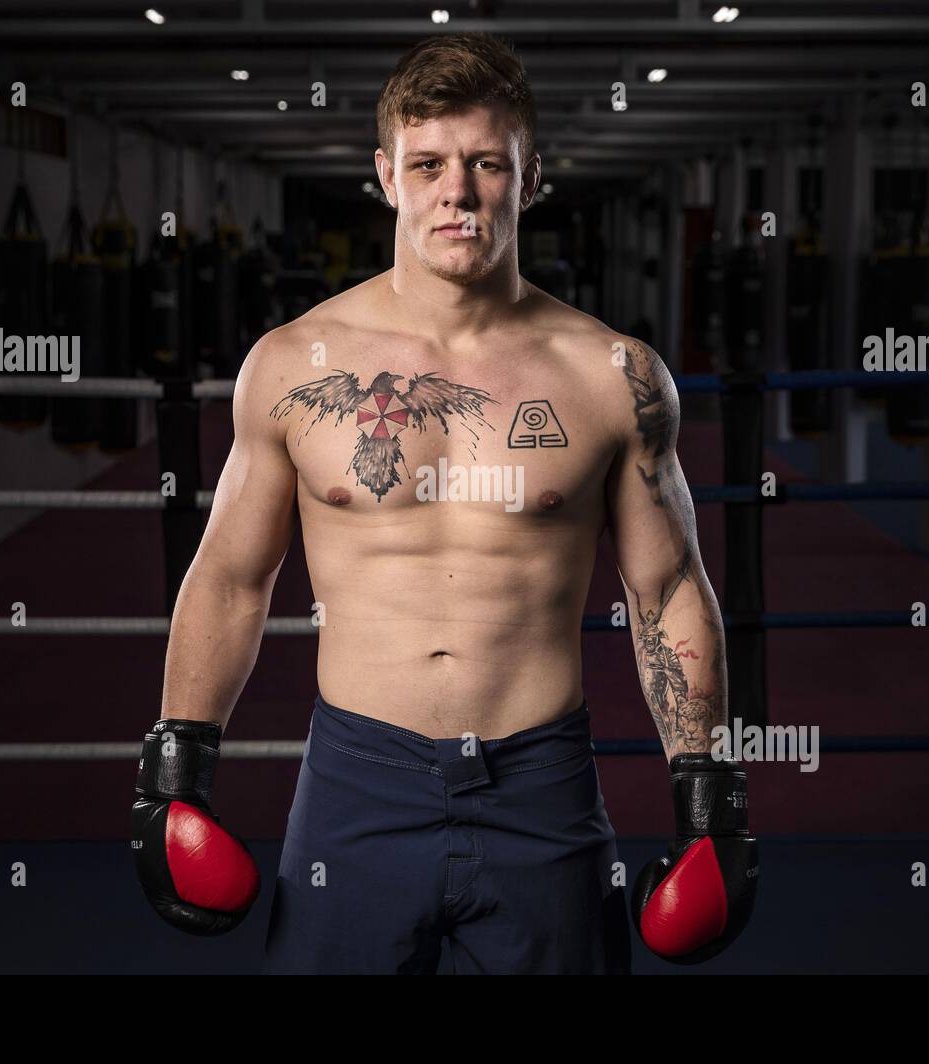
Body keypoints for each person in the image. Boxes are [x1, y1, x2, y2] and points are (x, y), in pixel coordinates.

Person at [130, 31, 756, 974]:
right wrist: (176, 767)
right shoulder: (295, 364)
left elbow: (665, 588)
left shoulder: (611, 375)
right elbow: (230, 575)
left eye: (485, 163)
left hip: (542, 786)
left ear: (530, 175)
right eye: (428, 164)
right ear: (387, 175)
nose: (456, 192)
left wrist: (707, 789)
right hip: (356, 783)